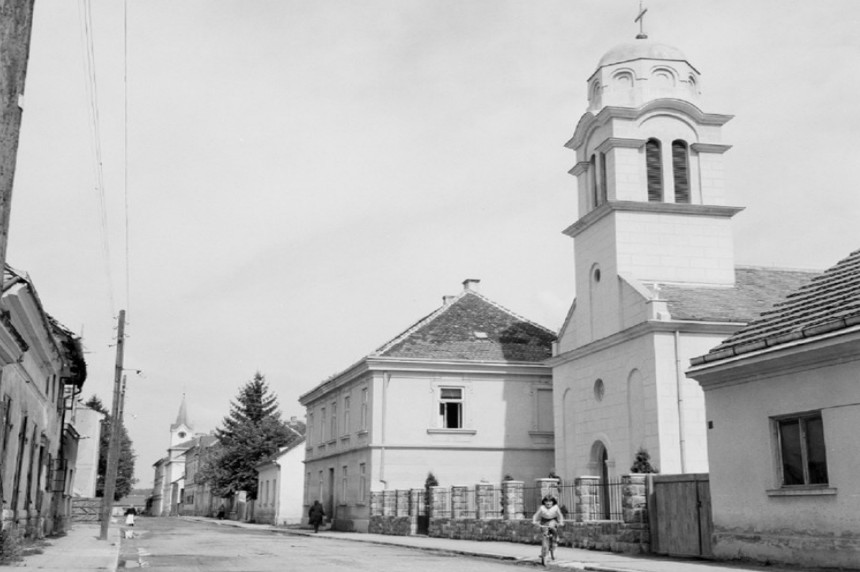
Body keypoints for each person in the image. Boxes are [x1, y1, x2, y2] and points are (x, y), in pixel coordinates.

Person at [533, 495, 564, 562]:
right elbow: (536, 515)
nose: (548, 503)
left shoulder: (555, 507)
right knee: (544, 535)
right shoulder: (542, 508)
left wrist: (561, 521)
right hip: (544, 521)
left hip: (553, 520)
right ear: (544, 502)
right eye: (546, 501)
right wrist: (534, 521)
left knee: (551, 526)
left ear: (553, 502)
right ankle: (543, 552)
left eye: (550, 501)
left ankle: (556, 537)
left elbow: (560, 515)